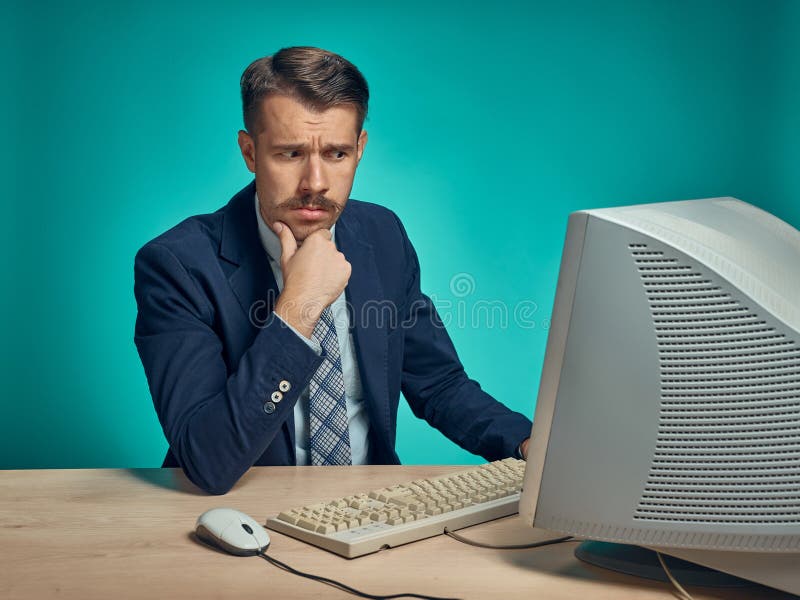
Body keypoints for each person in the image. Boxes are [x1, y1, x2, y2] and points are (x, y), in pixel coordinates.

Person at [134, 46, 532, 495]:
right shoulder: (177, 266)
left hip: (369, 511)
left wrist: (528, 443)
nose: (316, 184)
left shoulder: (382, 234)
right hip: (245, 513)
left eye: (337, 154)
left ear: (360, 149)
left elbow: (437, 383)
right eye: (290, 154)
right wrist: (298, 308)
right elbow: (207, 460)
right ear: (249, 151)